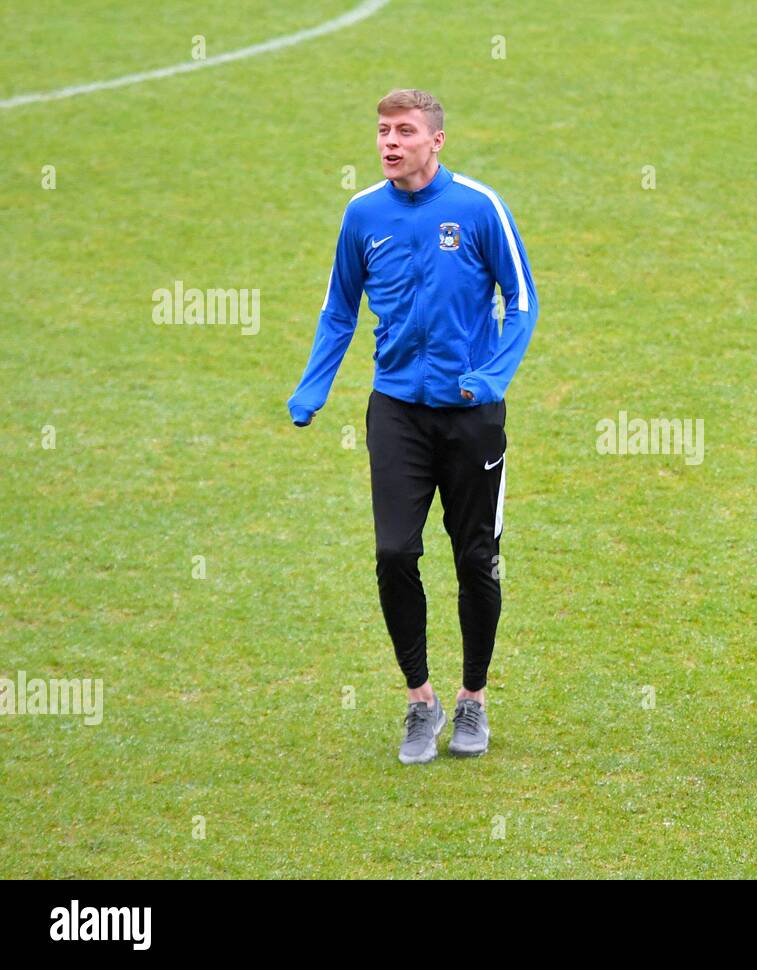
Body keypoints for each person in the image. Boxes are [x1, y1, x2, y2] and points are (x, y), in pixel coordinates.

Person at [287, 89, 539, 762]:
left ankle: (473, 701)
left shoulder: (479, 208)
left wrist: (492, 377)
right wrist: (312, 388)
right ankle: (419, 700)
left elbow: (523, 299)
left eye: (403, 131)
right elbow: (339, 309)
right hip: (396, 409)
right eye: (381, 131)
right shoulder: (362, 213)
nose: (389, 142)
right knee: (395, 553)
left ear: (437, 141)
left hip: (472, 415)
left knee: (474, 558)